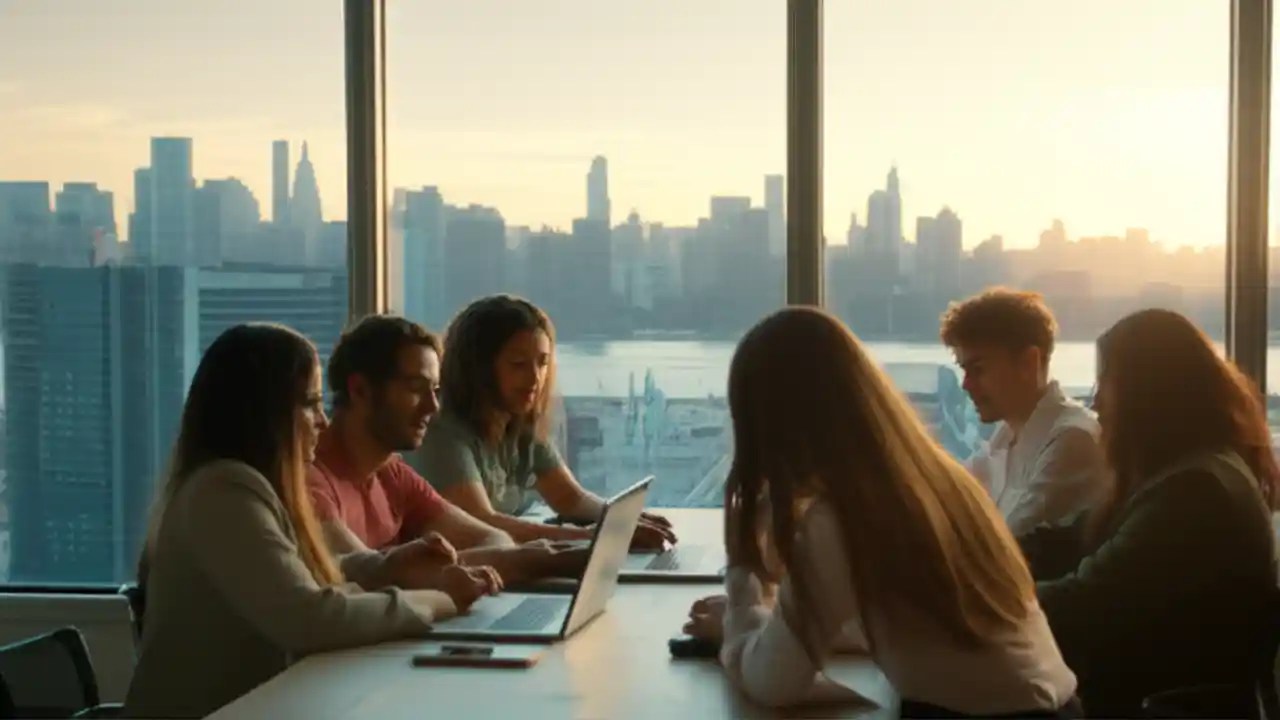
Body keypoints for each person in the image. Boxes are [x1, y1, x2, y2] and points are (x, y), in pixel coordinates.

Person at [682, 308, 1078, 717]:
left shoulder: (839, 518)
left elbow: (772, 683)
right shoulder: (935, 478)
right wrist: (759, 623)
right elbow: (906, 623)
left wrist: (742, 585)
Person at [125, 324, 476, 719]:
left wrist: (389, 567)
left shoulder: (248, 488)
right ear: (262, 412)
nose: (323, 422)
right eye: (310, 404)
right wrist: (438, 600)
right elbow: (309, 617)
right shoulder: (222, 491)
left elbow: (295, 573)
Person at [1025, 309, 1279, 717]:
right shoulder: (1196, 470)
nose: (1096, 402)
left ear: (1145, 392)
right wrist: (981, 551)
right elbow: (1068, 538)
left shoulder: (1194, 492)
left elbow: (1083, 606)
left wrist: (979, 595)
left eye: (1105, 381)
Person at [309, 314, 583, 590]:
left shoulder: (391, 473)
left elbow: (493, 539)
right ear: (360, 390)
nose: (433, 407)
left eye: (435, 391)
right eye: (416, 388)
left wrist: (429, 570)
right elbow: (367, 575)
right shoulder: (310, 481)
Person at [419, 295, 675, 548]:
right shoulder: (441, 433)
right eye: (518, 364)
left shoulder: (517, 425)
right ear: (478, 369)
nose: (535, 379)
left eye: (542, 363)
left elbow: (569, 498)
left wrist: (622, 520)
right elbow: (481, 525)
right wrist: (599, 538)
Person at [940, 288, 1108, 536]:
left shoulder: (1072, 440)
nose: (966, 385)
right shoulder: (1007, 435)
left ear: (1028, 363)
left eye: (978, 370)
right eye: (965, 371)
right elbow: (948, 491)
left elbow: (1011, 548)